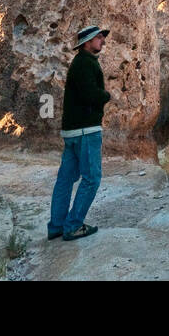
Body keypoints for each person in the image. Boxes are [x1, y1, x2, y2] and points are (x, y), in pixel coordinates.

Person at [47, 25, 111, 241]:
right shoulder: (85, 63)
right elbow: (90, 95)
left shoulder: (80, 63)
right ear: (87, 42)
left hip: (72, 132)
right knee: (92, 178)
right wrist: (106, 96)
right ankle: (73, 225)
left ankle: (56, 226)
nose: (103, 41)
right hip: (86, 131)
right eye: (99, 38)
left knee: (65, 179)